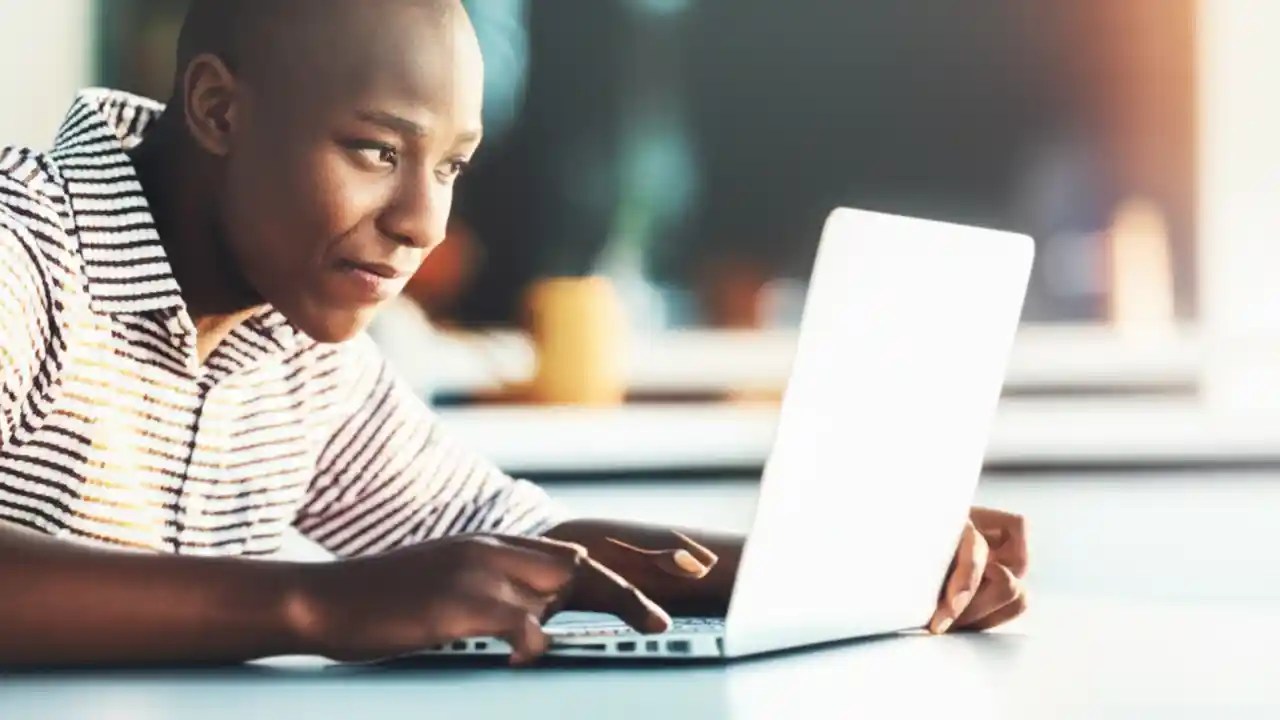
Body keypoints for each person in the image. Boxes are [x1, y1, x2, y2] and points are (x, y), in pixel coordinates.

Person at [0, 0, 1027, 667]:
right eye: (373, 151)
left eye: (448, 167)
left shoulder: (300, 340)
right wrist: (319, 607)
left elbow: (516, 547)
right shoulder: (25, 246)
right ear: (219, 111)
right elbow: (346, 601)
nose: (422, 224)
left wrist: (861, 567)